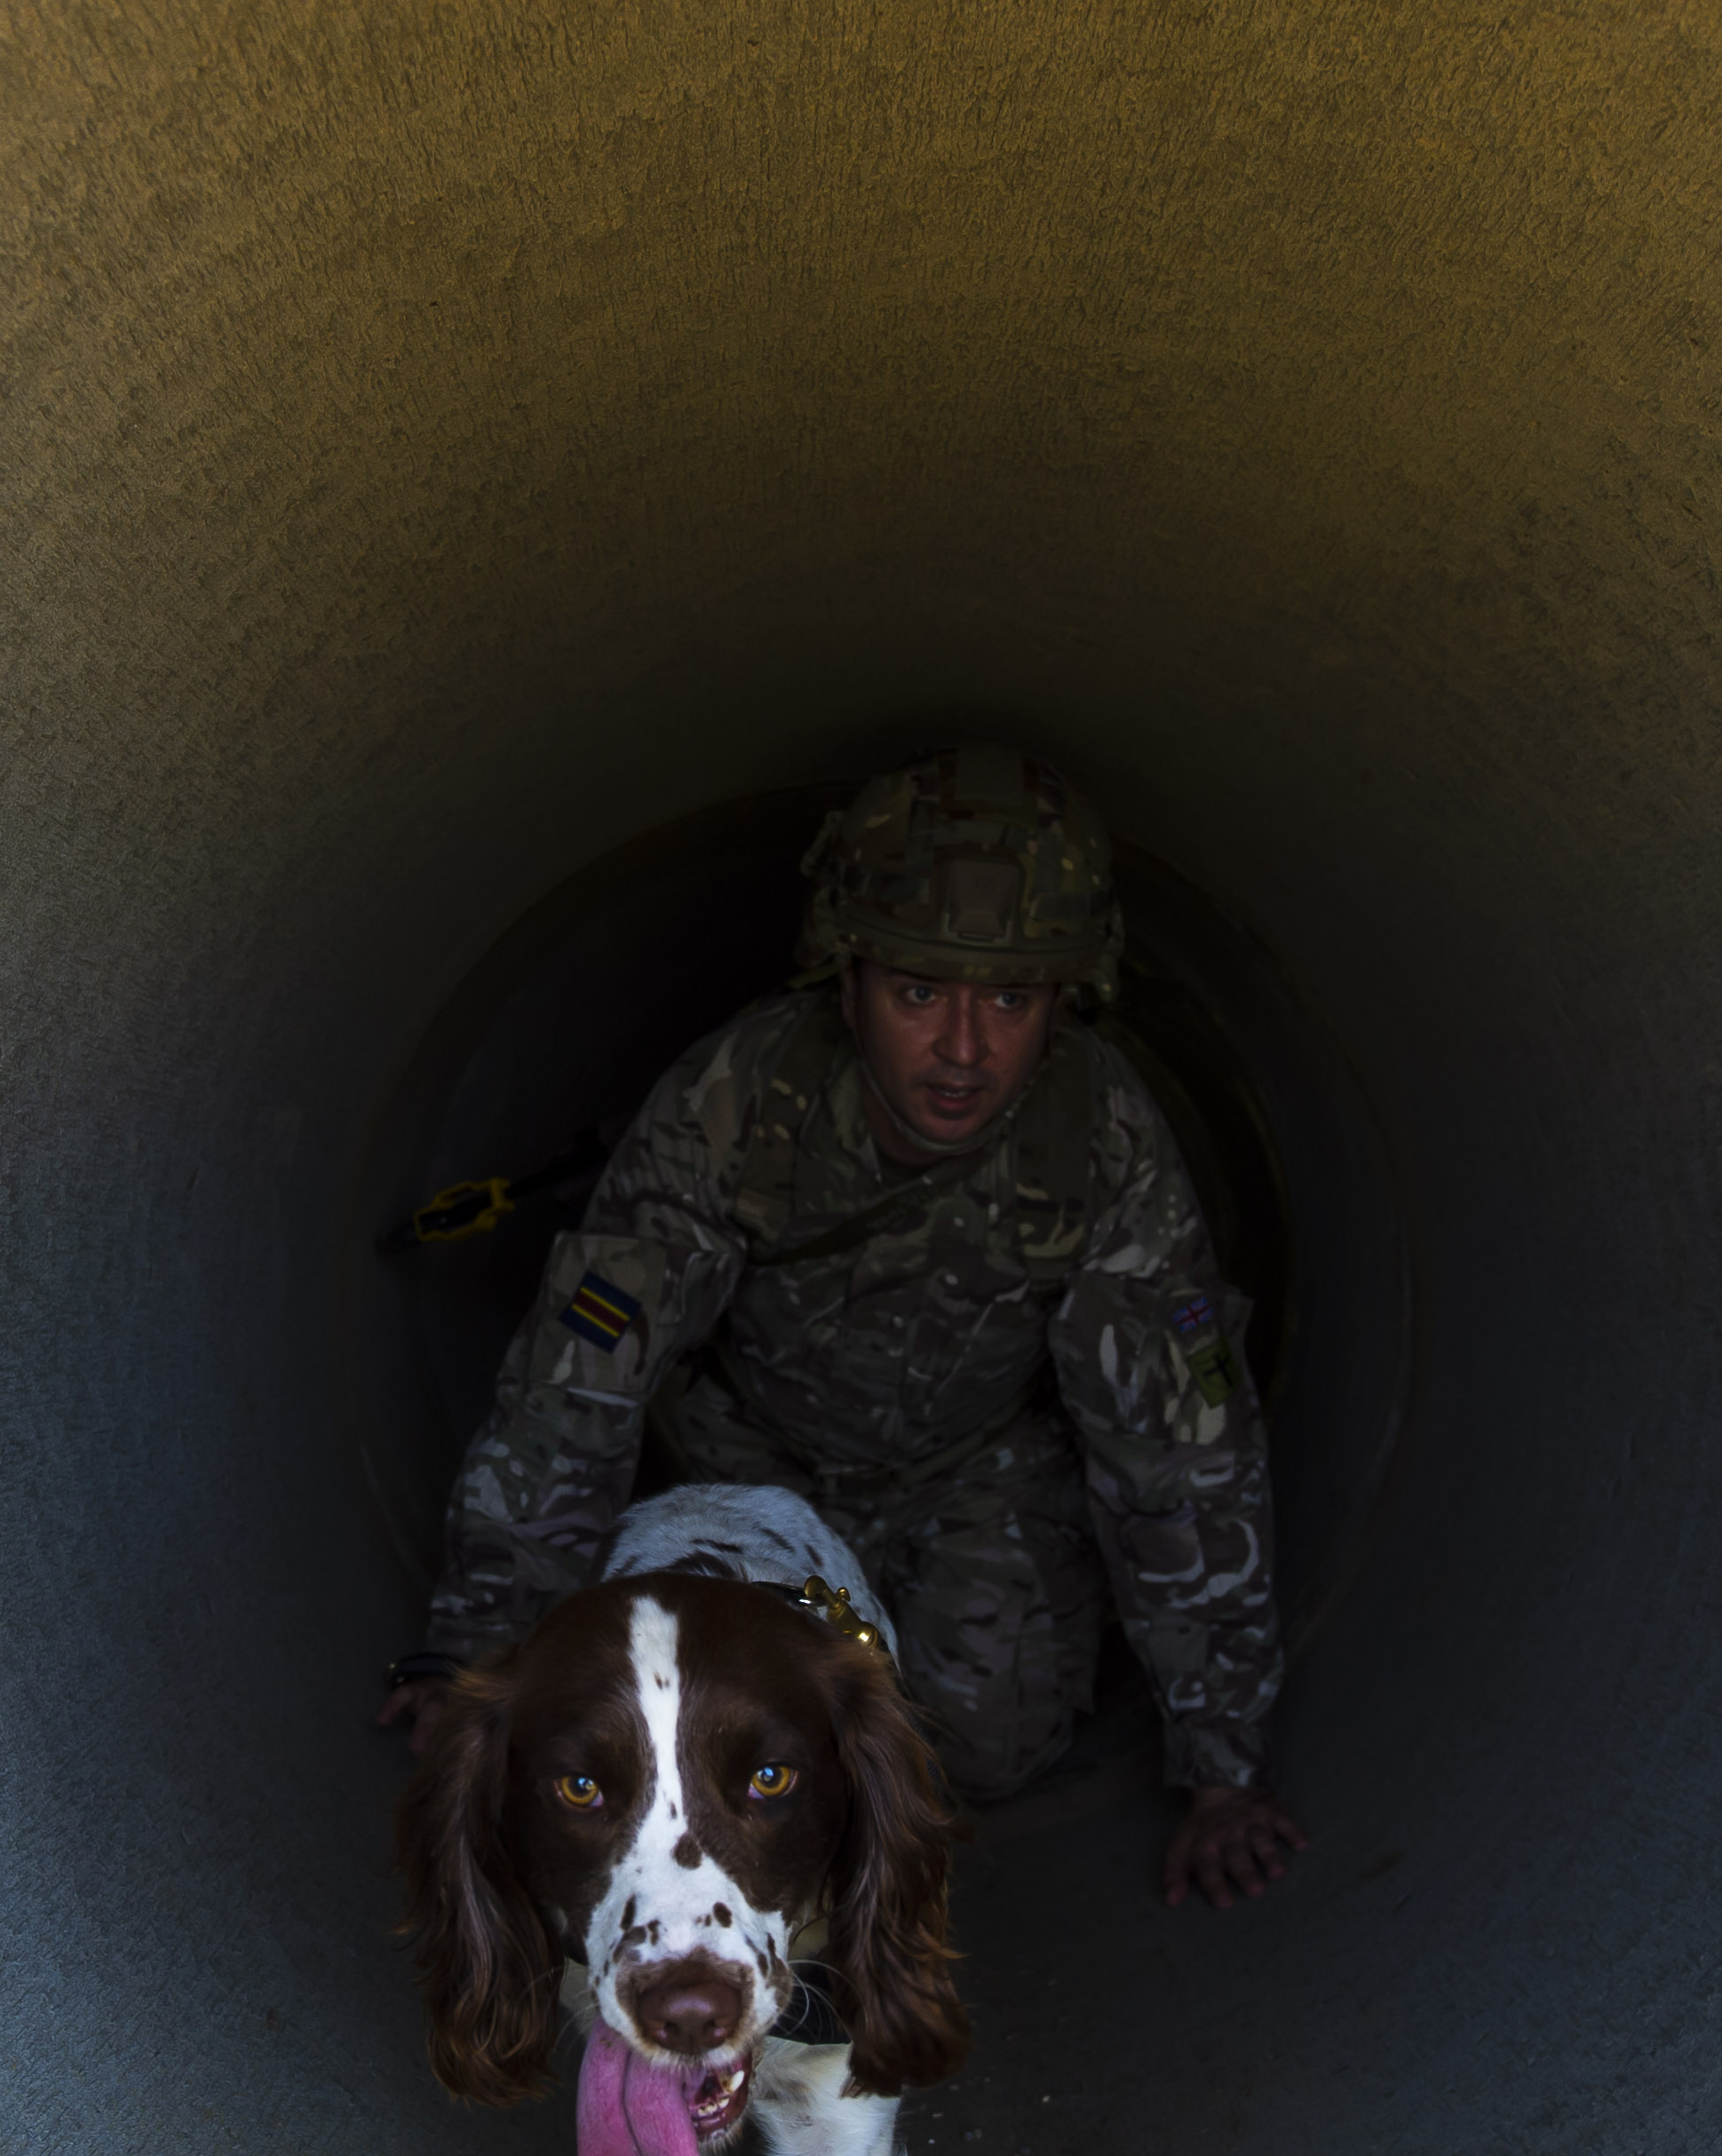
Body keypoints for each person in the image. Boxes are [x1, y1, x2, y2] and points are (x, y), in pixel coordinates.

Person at [379, 744, 1305, 1910]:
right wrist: (479, 1653)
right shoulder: (737, 1106)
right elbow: (575, 1389)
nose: (965, 1050)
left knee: (982, 1750)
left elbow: (1179, 1448)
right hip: (749, 1463)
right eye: (921, 993)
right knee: (693, 1726)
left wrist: (1222, 1769)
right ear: (847, 980)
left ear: (1065, 1000)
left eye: (1010, 1000)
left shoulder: (1100, 1144)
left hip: (974, 1467)